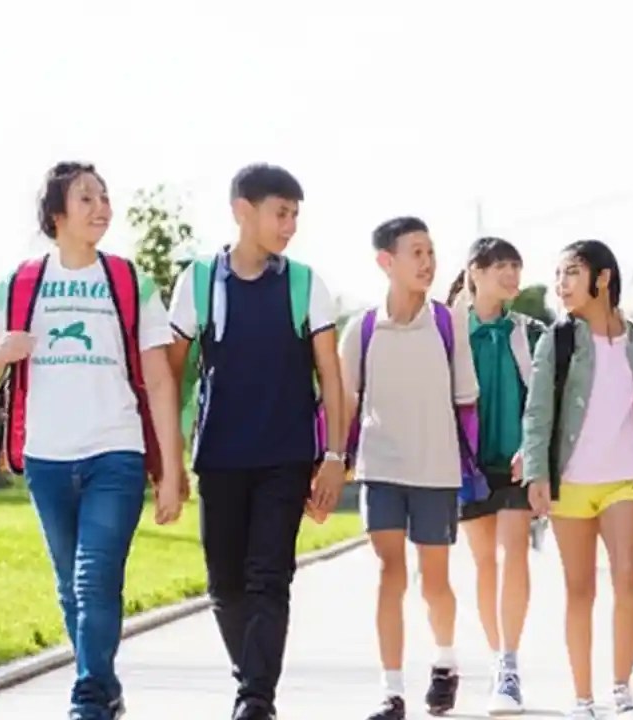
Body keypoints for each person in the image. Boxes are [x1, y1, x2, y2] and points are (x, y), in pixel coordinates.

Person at [0, 162, 184, 720]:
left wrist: (174, 471)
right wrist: (1, 352)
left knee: (95, 576)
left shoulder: (130, 280)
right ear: (57, 214)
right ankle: (104, 686)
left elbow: (160, 379)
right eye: (86, 197)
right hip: (48, 458)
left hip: (117, 451)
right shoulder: (20, 283)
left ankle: (87, 698)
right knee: (70, 586)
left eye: (104, 196)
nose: (101, 206)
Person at [167, 164, 346, 720]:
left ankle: (255, 700)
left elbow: (331, 377)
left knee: (270, 576)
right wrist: (168, 461)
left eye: (295, 214)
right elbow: (170, 378)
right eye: (280, 213)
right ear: (243, 211)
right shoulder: (197, 283)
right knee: (224, 580)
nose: (290, 226)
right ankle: (253, 680)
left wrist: (335, 457)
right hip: (218, 457)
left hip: (285, 457)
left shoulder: (303, 283)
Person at [523, 239, 633, 720]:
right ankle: (583, 697)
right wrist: (536, 473)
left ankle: (622, 689)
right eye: (559, 274)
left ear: (602, 278)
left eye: (572, 273)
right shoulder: (559, 339)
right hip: (571, 481)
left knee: (628, 580)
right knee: (579, 589)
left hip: (625, 480)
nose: (562, 285)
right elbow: (538, 412)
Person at [339, 216, 479, 720]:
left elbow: (466, 400)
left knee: (433, 582)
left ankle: (444, 663)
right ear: (386, 262)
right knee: (388, 573)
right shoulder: (362, 329)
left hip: (437, 471)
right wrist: (334, 461)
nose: (427, 262)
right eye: (415, 252)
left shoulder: (448, 322)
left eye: (430, 251)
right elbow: (344, 403)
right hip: (380, 469)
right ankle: (391, 691)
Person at [444, 236, 544, 715]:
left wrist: (535, 448)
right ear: (474, 272)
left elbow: (544, 401)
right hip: (466, 463)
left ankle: (509, 665)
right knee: (485, 563)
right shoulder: (447, 331)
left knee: (515, 552)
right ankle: (495, 658)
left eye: (516, 266)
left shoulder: (529, 332)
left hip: (516, 462)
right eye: (501, 265)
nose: (511, 275)